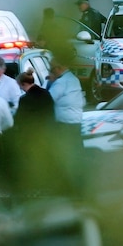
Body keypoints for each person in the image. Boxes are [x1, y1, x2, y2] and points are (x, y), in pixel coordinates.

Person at [48, 51, 86, 194]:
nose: (50, 71)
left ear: (57, 68)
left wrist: (49, 82)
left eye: (52, 69)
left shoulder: (61, 82)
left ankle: (68, 186)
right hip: (75, 122)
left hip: (64, 124)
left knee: (65, 155)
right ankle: (79, 184)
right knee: (77, 154)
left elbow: (48, 99)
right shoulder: (72, 78)